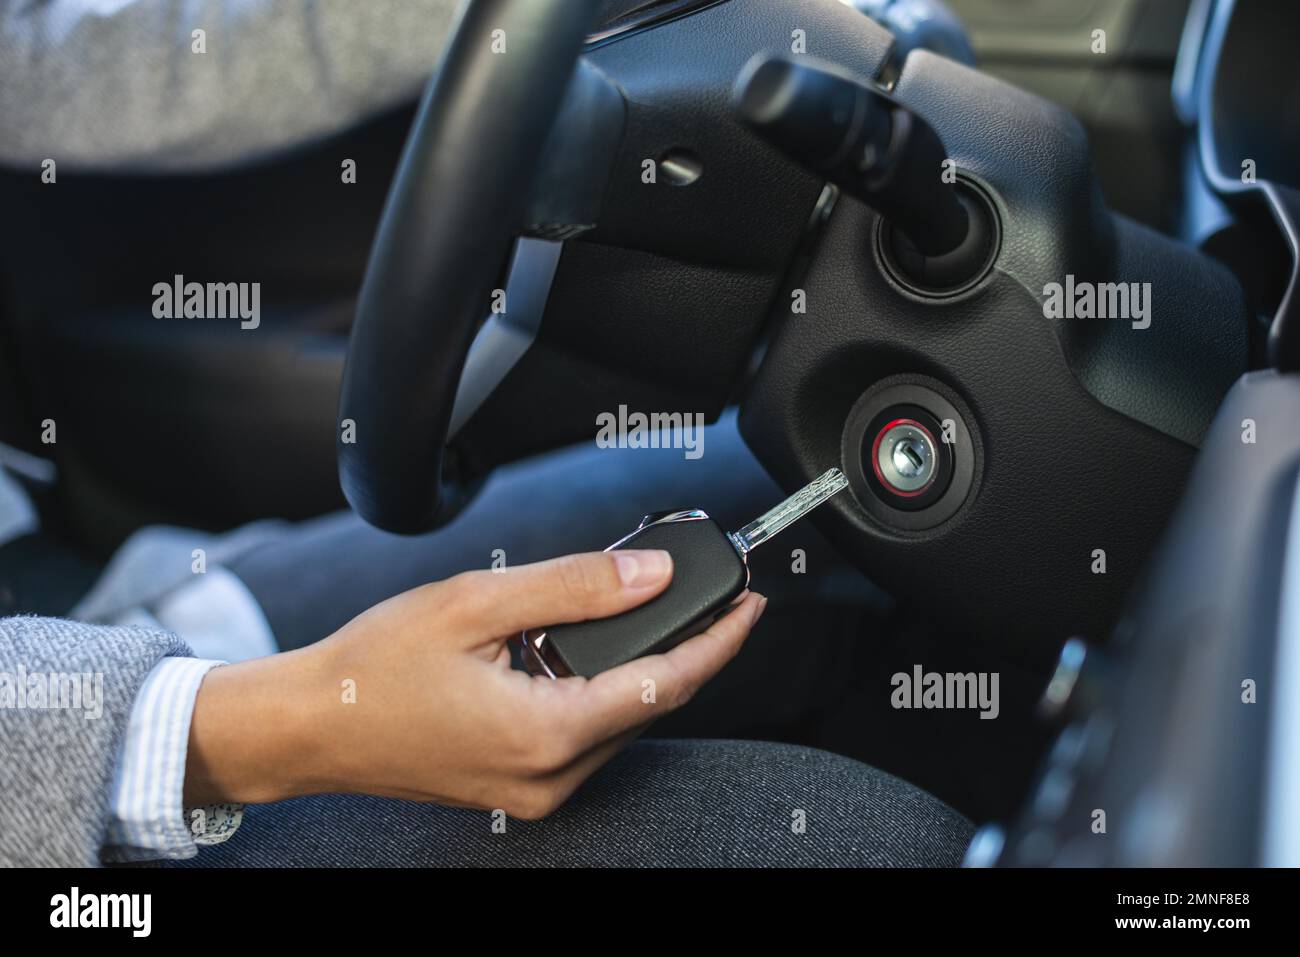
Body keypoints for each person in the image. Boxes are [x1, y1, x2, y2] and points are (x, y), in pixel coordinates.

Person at [0, 0, 974, 867]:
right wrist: (268, 726)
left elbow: (111, 57)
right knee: (868, 842)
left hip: (79, 635)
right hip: (90, 789)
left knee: (782, 488)